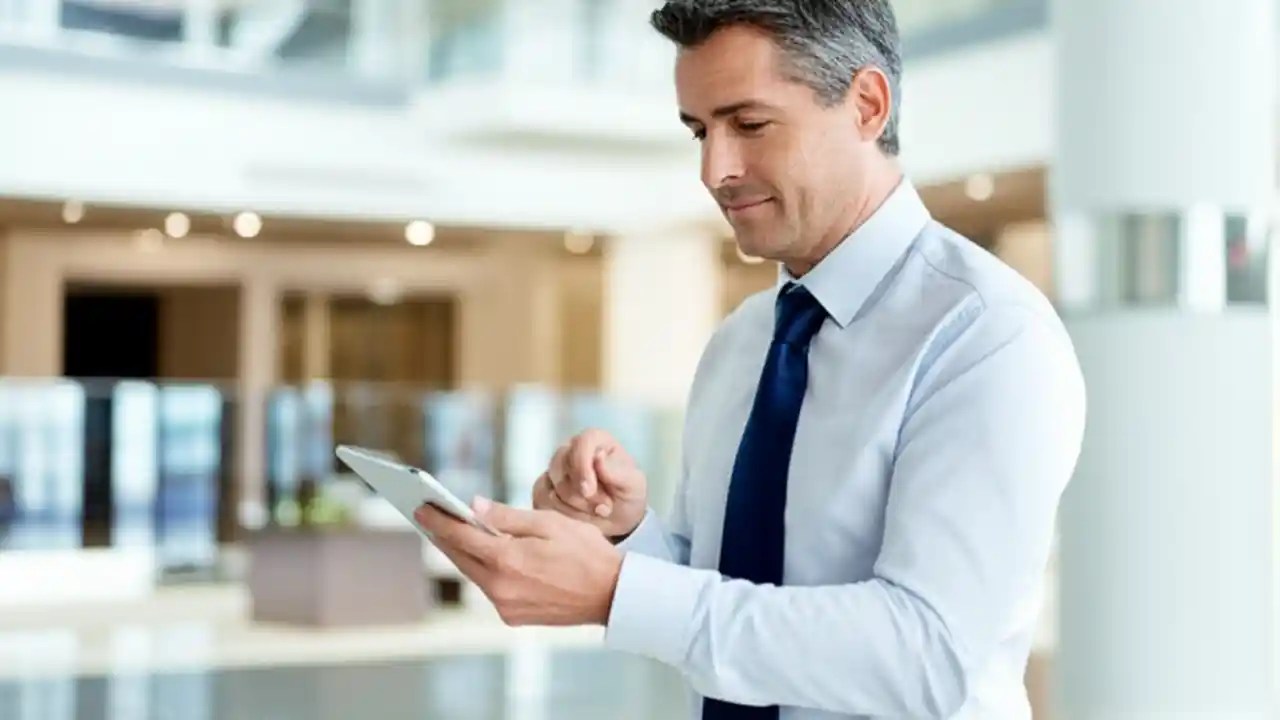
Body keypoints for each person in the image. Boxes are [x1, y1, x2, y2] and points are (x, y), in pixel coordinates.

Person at [416, 1, 1086, 718]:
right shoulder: (741, 342)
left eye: (750, 125)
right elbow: (728, 601)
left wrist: (615, 591)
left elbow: (927, 656)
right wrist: (622, 538)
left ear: (866, 104)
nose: (715, 169)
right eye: (700, 130)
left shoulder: (986, 336)